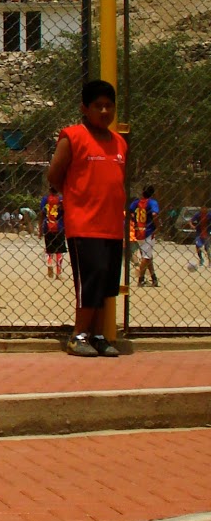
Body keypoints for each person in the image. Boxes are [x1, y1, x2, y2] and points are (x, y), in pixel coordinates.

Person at [47, 80, 127, 357]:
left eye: (109, 106)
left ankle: (99, 335)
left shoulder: (119, 142)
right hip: (85, 224)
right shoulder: (72, 136)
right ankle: (78, 335)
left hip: (112, 227)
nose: (104, 111)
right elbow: (54, 175)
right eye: (98, 106)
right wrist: (76, 197)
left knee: (105, 283)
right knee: (89, 282)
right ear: (85, 108)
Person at [129, 184, 160, 288]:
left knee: (148, 255)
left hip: (139, 231)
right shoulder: (152, 202)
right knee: (146, 257)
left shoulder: (136, 203)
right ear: (153, 193)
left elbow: (130, 212)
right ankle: (141, 279)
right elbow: (155, 214)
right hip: (148, 232)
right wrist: (158, 226)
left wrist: (134, 221)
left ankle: (154, 278)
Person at [39, 187, 65, 279]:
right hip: (59, 227)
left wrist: (40, 230)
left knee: (49, 249)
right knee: (59, 251)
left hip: (47, 226)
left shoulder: (45, 199)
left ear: (49, 190)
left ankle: (49, 262)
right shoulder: (61, 199)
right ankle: (58, 273)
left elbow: (42, 214)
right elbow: (65, 213)